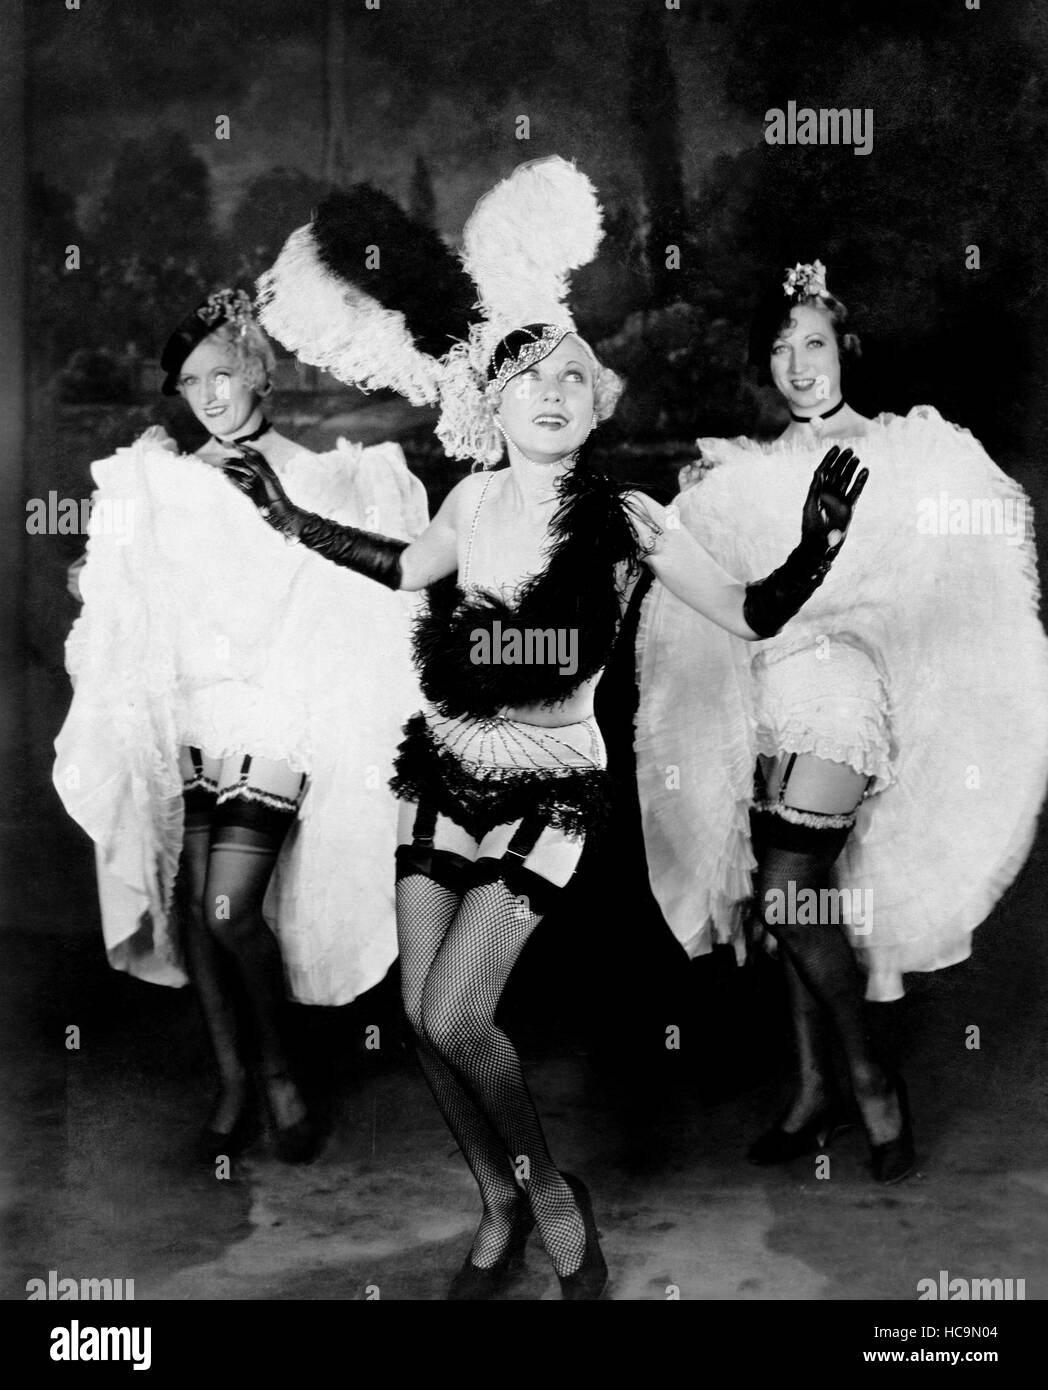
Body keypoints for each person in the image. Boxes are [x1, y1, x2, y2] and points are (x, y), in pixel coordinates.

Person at [221, 163, 867, 1298]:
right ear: (491, 404)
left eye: (572, 376)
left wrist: (814, 546)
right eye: (528, 380)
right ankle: (494, 1206)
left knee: (461, 1009)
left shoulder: (623, 514)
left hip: (549, 794)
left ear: (592, 395)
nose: (554, 393)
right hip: (444, 777)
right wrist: (285, 517)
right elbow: (398, 567)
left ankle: (551, 1194)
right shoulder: (467, 505)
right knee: (423, 1025)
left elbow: (749, 610)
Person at [635, 260, 1048, 1183]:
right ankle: (817, 1089)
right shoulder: (741, 471)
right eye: (779, 349)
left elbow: (970, 555)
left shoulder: (906, 452)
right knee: (792, 899)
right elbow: (719, 595)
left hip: (851, 690)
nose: (796, 364)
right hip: (767, 693)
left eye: (813, 343)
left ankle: (869, 1077)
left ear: (845, 349)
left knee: (788, 888)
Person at [54, 288, 427, 1164]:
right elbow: (111, 584)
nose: (210, 396)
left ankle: (281, 1071)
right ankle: (233, 1077)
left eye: (224, 373)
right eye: (190, 382)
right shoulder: (168, 479)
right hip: (191, 707)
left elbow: (364, 586)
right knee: (194, 902)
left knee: (230, 908)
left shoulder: (316, 472)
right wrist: (103, 572)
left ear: (259, 371)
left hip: (279, 714)